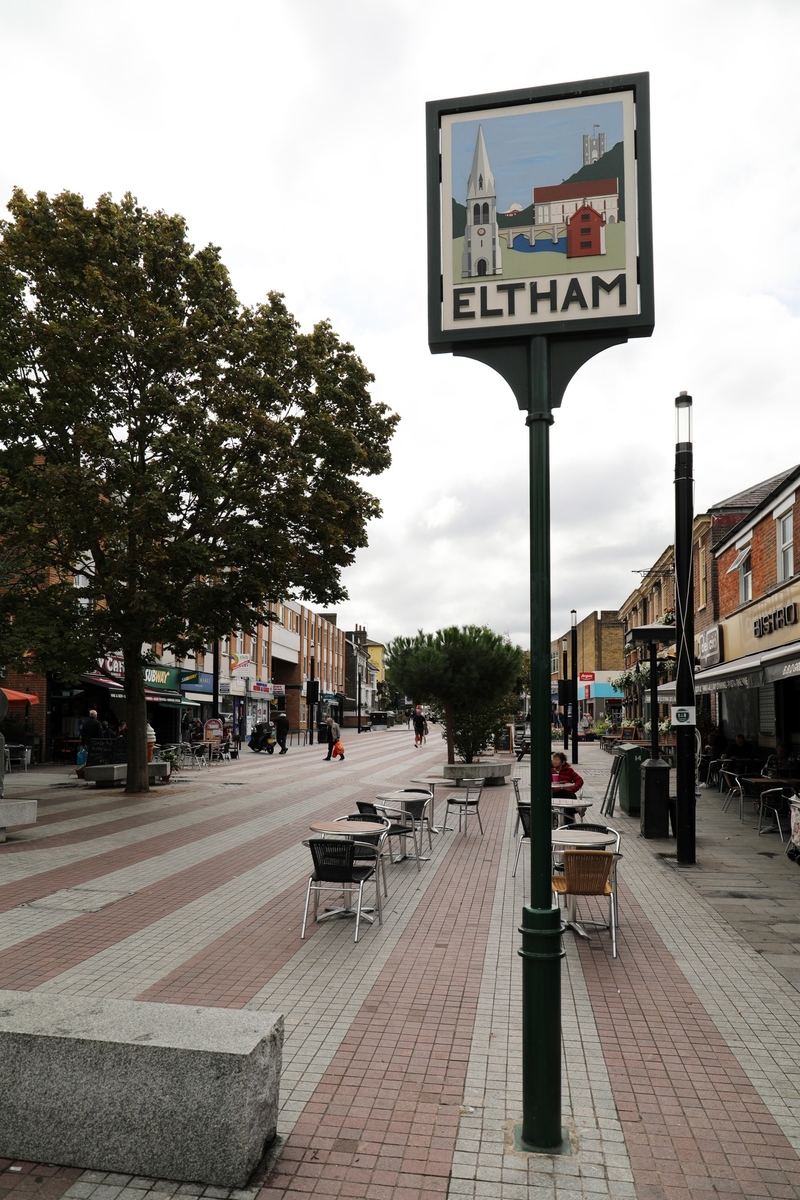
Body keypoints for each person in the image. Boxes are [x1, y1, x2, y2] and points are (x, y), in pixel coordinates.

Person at [551, 751, 584, 821]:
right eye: (553, 759)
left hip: (567, 794)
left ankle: (569, 822)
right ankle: (576, 808)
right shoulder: (550, 771)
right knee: (567, 795)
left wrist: (573, 789)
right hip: (554, 794)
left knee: (565, 795)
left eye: (557, 760)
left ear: (562, 762)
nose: (554, 762)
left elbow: (579, 780)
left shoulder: (568, 771)